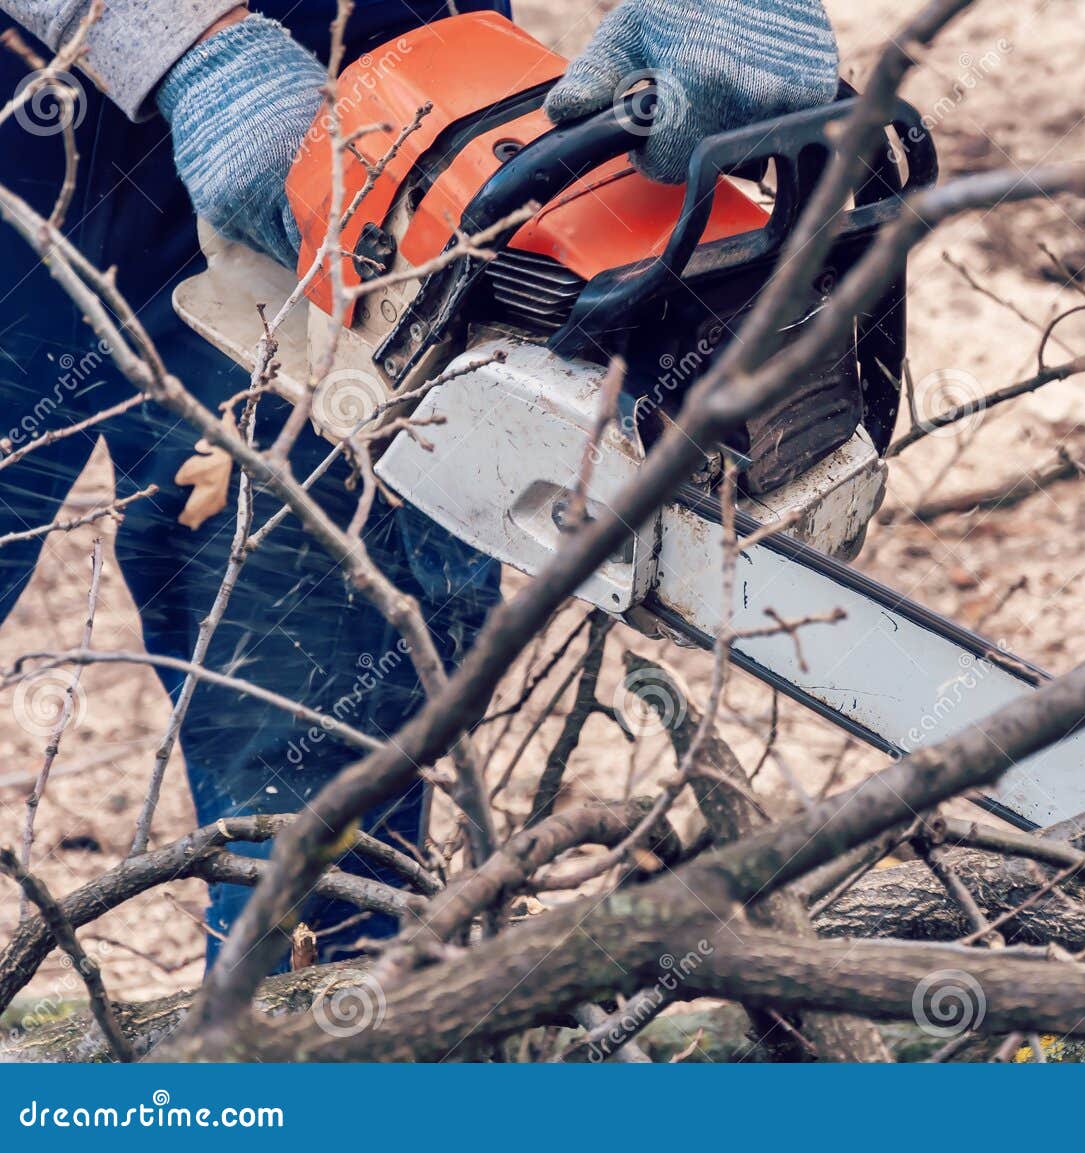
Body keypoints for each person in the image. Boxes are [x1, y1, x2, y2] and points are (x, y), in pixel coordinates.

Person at [0, 0, 839, 964]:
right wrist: (187, 40)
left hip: (375, 85)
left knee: (315, 729)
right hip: (34, 91)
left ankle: (323, 1058)